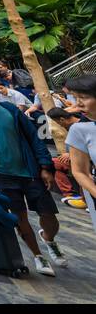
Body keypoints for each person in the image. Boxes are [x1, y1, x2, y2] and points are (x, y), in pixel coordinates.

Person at [0, 71, 66, 276]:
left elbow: (34, 138)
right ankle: (38, 256)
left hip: (29, 171)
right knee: (19, 217)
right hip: (1, 174)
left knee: (49, 215)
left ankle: (48, 239)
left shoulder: (10, 109)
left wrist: (44, 166)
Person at [58, 74, 96, 215]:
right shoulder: (79, 130)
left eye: (84, 97)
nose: (78, 103)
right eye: (75, 98)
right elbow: (80, 172)